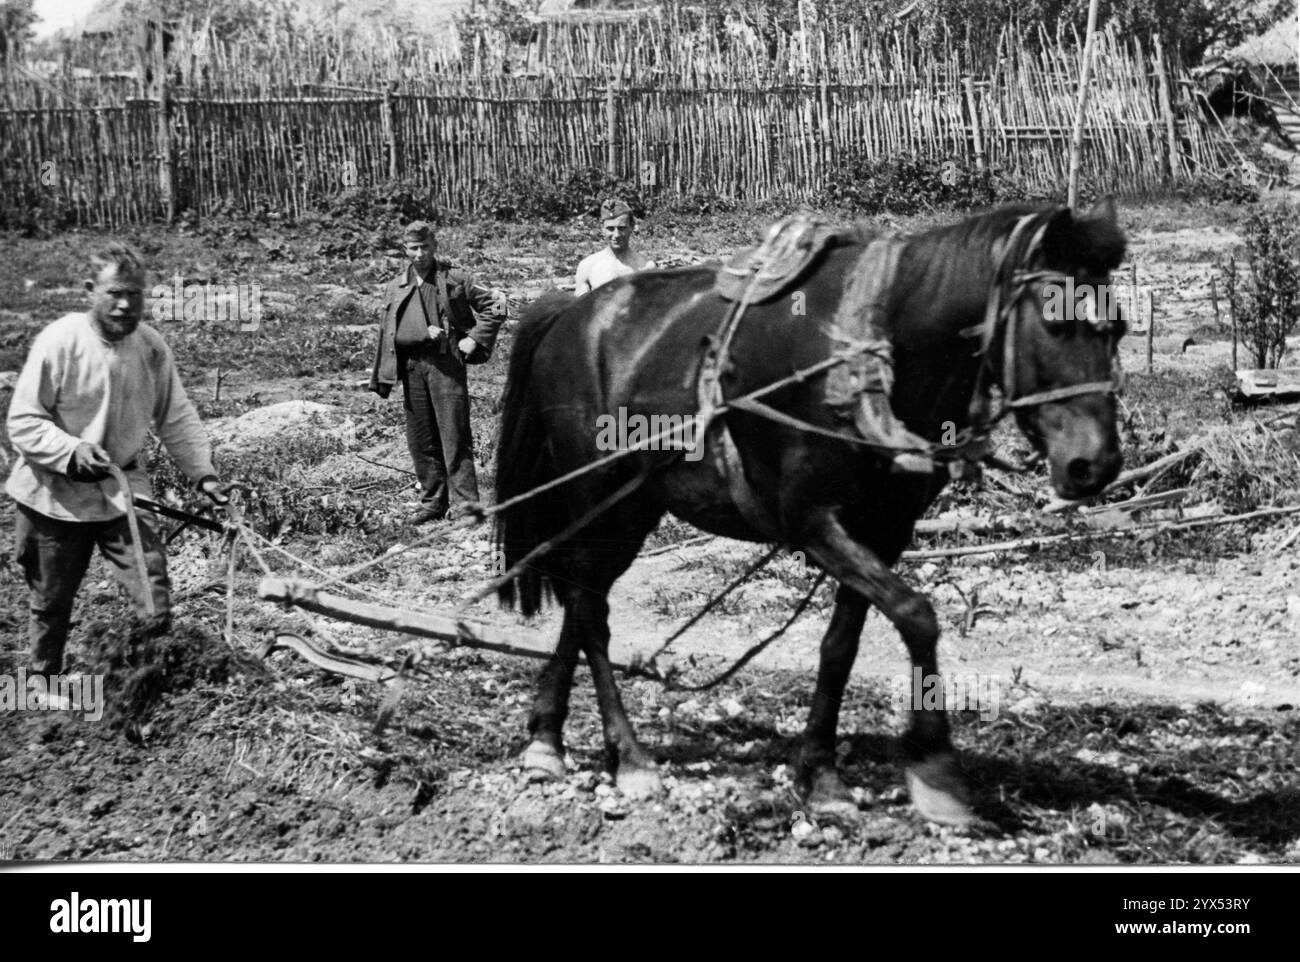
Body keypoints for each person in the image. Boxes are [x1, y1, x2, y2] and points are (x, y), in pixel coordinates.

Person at [5, 242, 233, 690]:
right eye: (114, 293)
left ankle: (153, 684)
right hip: (54, 494)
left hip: (123, 488)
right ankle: (43, 682)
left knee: (152, 590)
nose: (125, 304)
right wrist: (71, 451)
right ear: (91, 290)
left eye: (135, 294)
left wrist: (203, 473)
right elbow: (24, 421)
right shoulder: (61, 340)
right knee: (50, 599)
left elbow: (176, 415)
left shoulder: (149, 348)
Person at [369, 221, 506, 525]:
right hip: (412, 368)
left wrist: (475, 338)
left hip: (446, 365)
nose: (420, 254)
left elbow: (496, 304)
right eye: (413, 248)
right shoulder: (396, 286)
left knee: (454, 435)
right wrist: (383, 375)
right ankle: (433, 501)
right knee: (420, 439)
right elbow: (387, 332)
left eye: (425, 247)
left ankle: (465, 507)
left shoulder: (454, 278)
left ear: (435, 246)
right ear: (404, 249)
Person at [573, 199, 654, 295]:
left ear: (631, 227)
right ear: (602, 229)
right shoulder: (588, 266)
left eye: (622, 228)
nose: (616, 235)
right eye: (610, 229)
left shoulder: (646, 266)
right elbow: (581, 306)